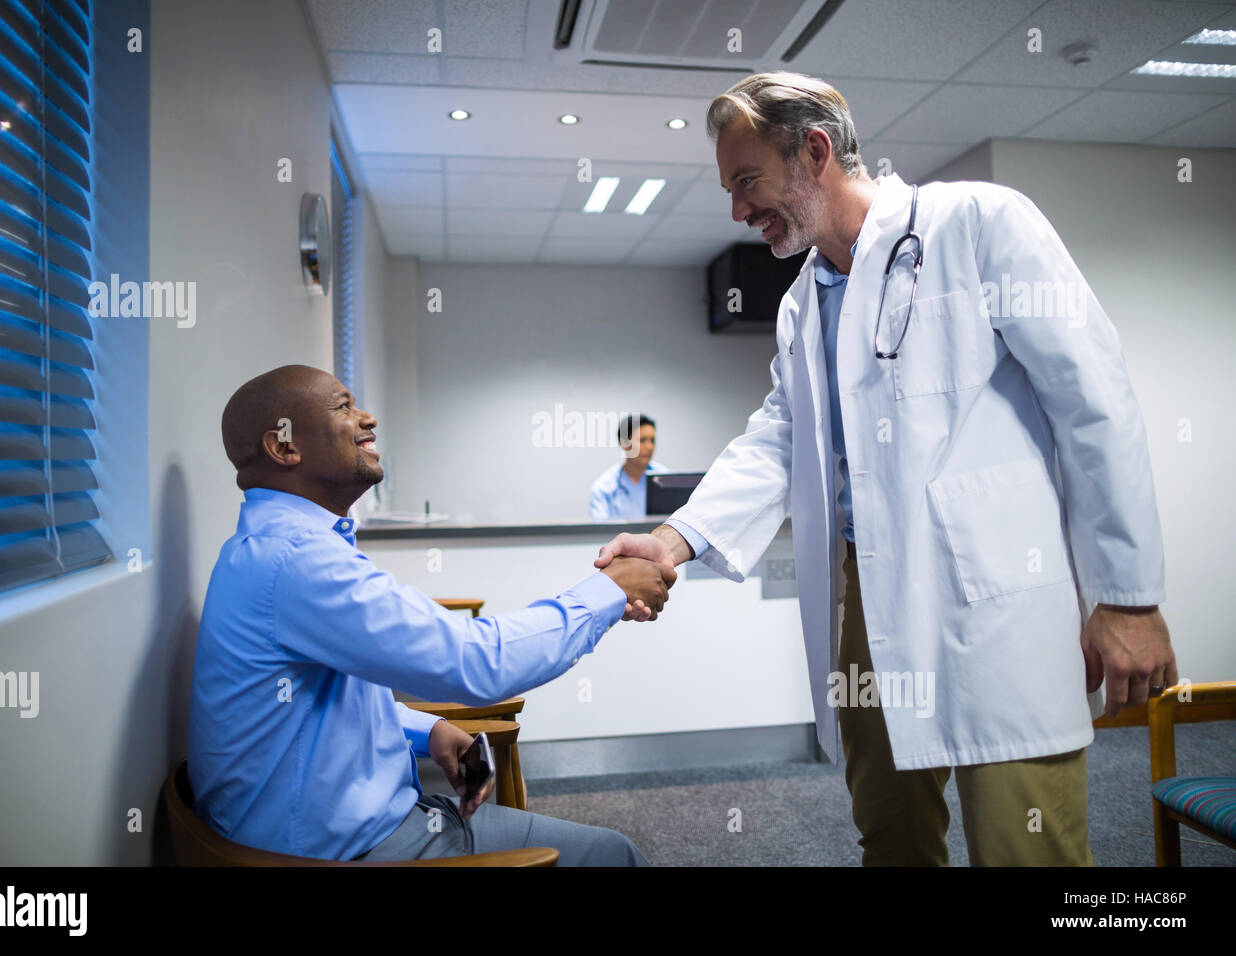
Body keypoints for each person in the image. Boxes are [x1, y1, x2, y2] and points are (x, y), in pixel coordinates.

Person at [595, 72, 1176, 866]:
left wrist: (1130, 598)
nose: (737, 210)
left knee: (1023, 845)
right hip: (867, 594)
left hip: (995, 591)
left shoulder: (978, 224)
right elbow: (779, 436)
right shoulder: (804, 303)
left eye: (746, 180)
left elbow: (1094, 399)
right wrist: (673, 539)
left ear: (815, 151)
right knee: (891, 834)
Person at [189, 365, 671, 864]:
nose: (367, 417)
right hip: (339, 851)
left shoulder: (274, 546)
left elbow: (320, 708)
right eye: (343, 406)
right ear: (284, 446)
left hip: (338, 826)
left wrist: (428, 731)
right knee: (612, 855)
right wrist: (609, 589)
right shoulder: (296, 558)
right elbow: (478, 663)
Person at [589, 414, 670, 520]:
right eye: (642, 440)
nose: (650, 447)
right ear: (625, 443)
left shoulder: (667, 481)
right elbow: (599, 532)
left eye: (652, 441)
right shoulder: (604, 488)